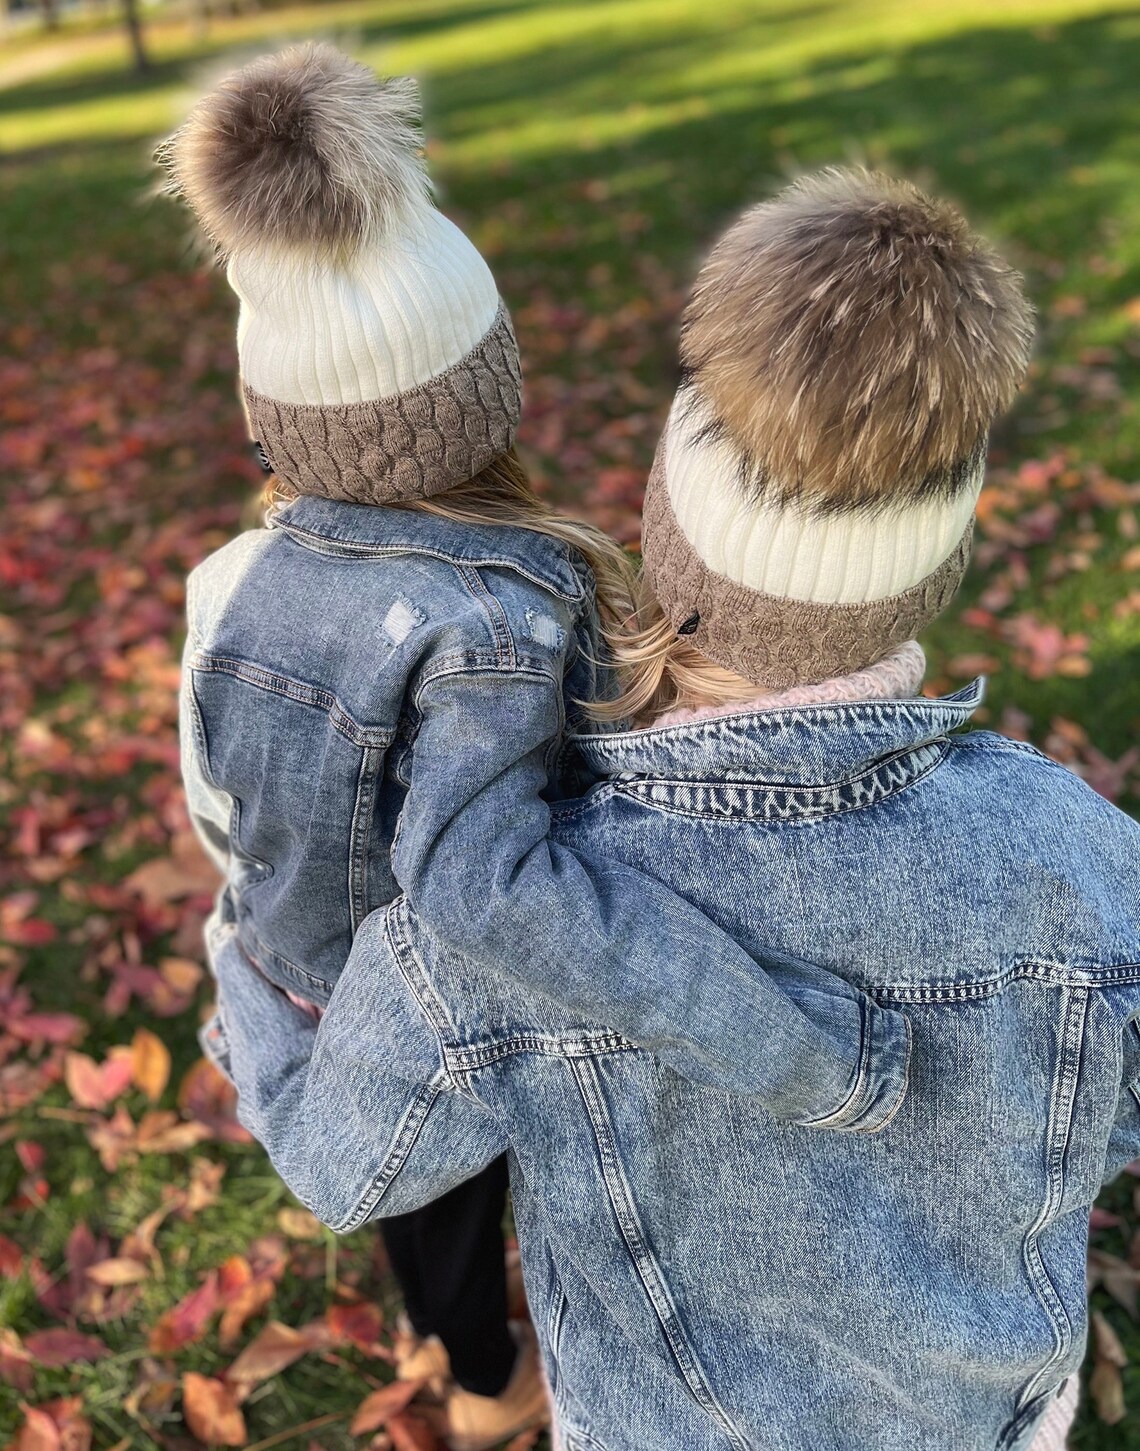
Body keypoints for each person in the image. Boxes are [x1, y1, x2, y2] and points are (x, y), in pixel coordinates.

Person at [204, 169, 1140, 1451]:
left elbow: (340, 1163)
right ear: (934, 561)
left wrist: (241, 959)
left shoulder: (488, 932)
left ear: (667, 523)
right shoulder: (1081, 861)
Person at [166, 47, 910, 1451]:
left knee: (428, 1216)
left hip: (305, 986)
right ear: (487, 391)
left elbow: (217, 799)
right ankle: (599, 1362)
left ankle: (472, 1364)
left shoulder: (228, 580)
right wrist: (784, 1035)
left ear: (272, 415)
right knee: (559, 1163)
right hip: (486, 1010)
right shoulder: (514, 607)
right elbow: (516, 878)